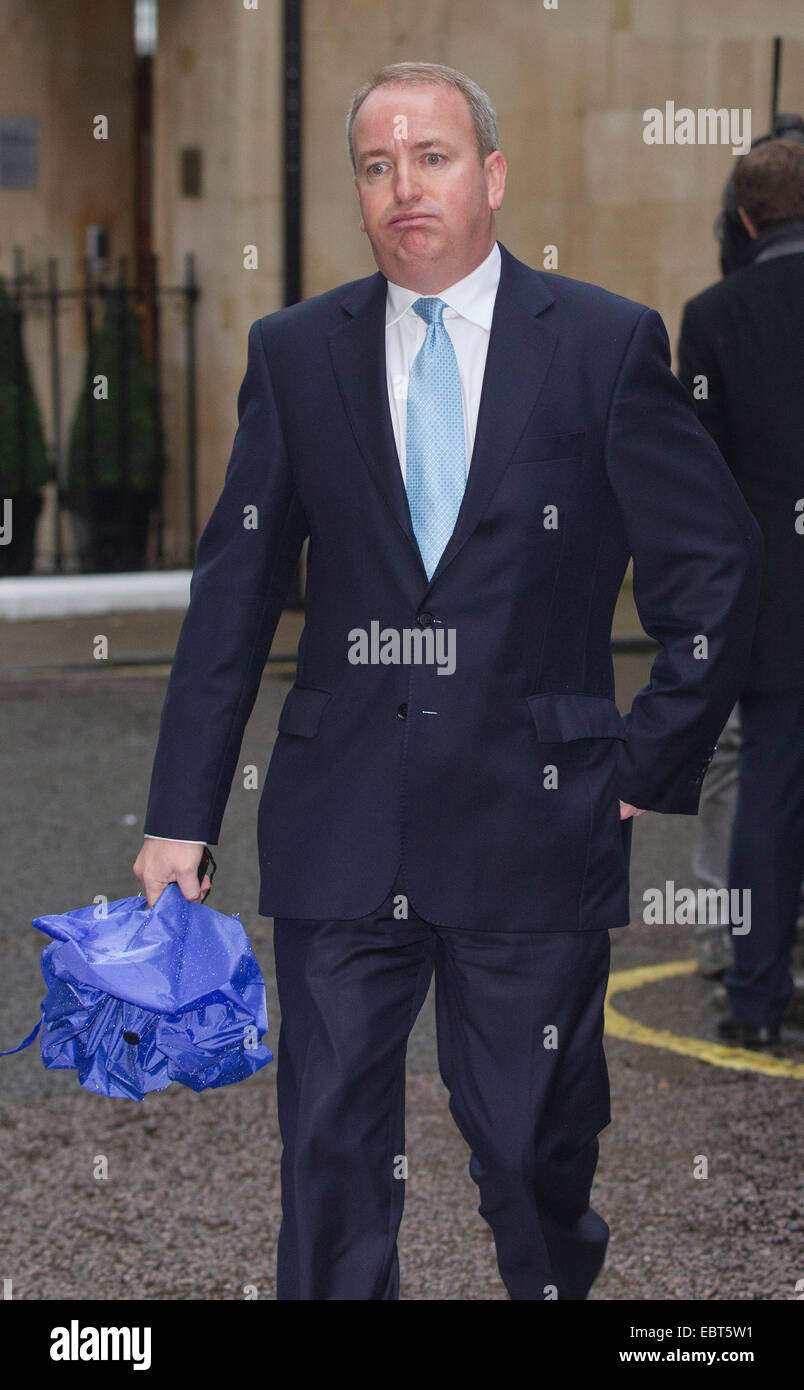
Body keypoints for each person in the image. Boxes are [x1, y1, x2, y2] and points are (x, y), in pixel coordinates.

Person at [134, 61, 762, 1300]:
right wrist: (177, 816)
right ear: (359, 196)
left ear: (492, 176)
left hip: (536, 823)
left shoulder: (599, 344)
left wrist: (645, 761)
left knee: (533, 1152)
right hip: (340, 825)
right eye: (376, 165)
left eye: (431, 157)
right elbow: (231, 601)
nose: (402, 186)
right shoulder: (295, 353)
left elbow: (718, 565)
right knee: (328, 1161)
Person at [678, 138, 804, 1049]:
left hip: (777, 600)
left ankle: (757, 997)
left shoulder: (714, 314)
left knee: (769, 795)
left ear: (747, 220)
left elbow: (701, 477)